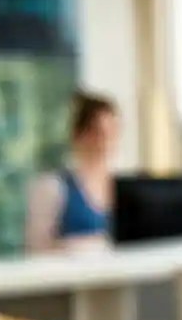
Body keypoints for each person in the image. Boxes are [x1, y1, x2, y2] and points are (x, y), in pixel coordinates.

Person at [27, 92, 120, 253]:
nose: (106, 141)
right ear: (79, 135)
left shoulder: (122, 187)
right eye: (98, 132)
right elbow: (35, 250)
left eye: (112, 132)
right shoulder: (53, 187)